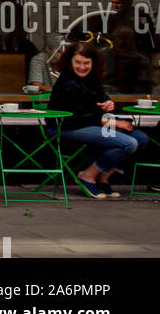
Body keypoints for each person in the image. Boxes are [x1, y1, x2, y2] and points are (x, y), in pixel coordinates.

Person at [50, 41, 151, 199]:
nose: (82, 67)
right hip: (66, 127)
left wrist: (109, 104)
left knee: (141, 138)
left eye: (86, 63)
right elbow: (80, 116)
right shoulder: (67, 82)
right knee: (128, 143)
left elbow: (101, 101)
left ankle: (103, 176)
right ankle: (87, 176)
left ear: (93, 63)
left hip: (91, 124)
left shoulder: (92, 79)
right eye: (77, 62)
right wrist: (114, 123)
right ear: (70, 62)